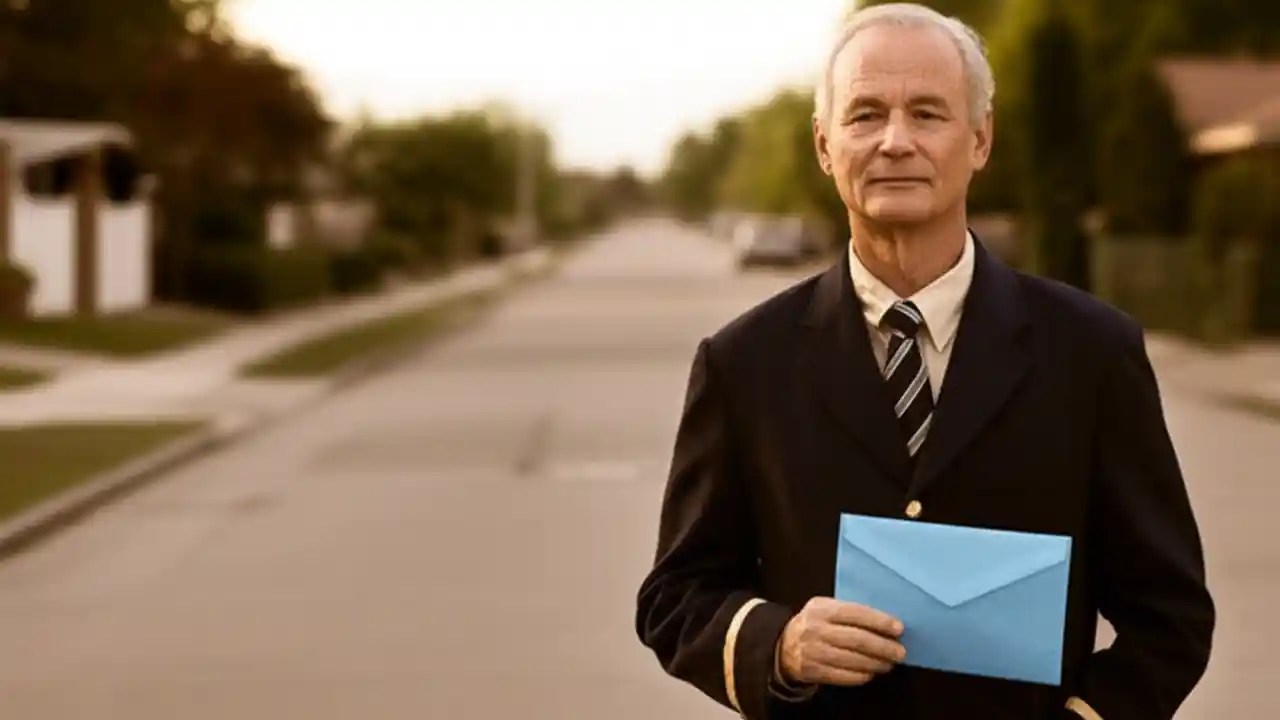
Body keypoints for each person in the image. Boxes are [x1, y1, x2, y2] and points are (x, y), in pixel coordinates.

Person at [634, 4, 1215, 719]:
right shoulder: (743, 364)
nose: (895, 141)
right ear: (824, 145)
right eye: (865, 115)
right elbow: (676, 596)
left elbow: (1171, 618)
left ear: (980, 139)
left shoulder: (1092, 354)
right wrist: (778, 644)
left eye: (928, 114)